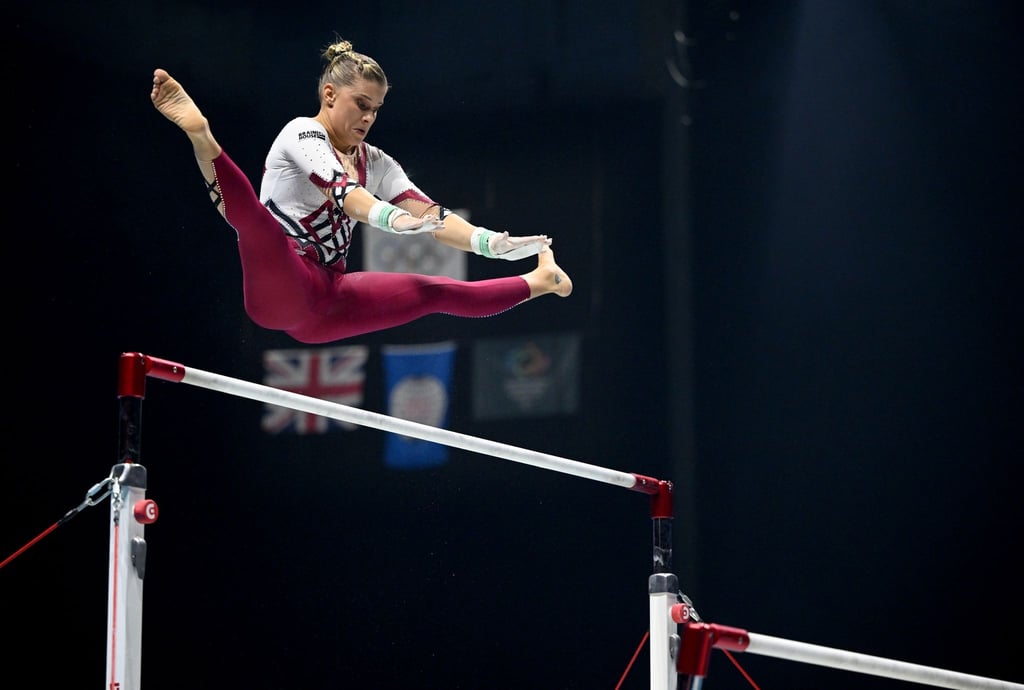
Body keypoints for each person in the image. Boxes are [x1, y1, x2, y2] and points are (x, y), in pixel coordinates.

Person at [150, 39, 572, 344]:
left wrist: (488, 243)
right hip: (282, 283)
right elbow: (342, 191)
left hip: (328, 302)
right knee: (256, 226)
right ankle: (202, 135)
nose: (369, 117)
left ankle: (541, 280)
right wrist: (392, 220)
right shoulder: (303, 133)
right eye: (361, 104)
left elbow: (431, 214)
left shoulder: (378, 162)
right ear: (330, 95)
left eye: (376, 109)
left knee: (435, 291)